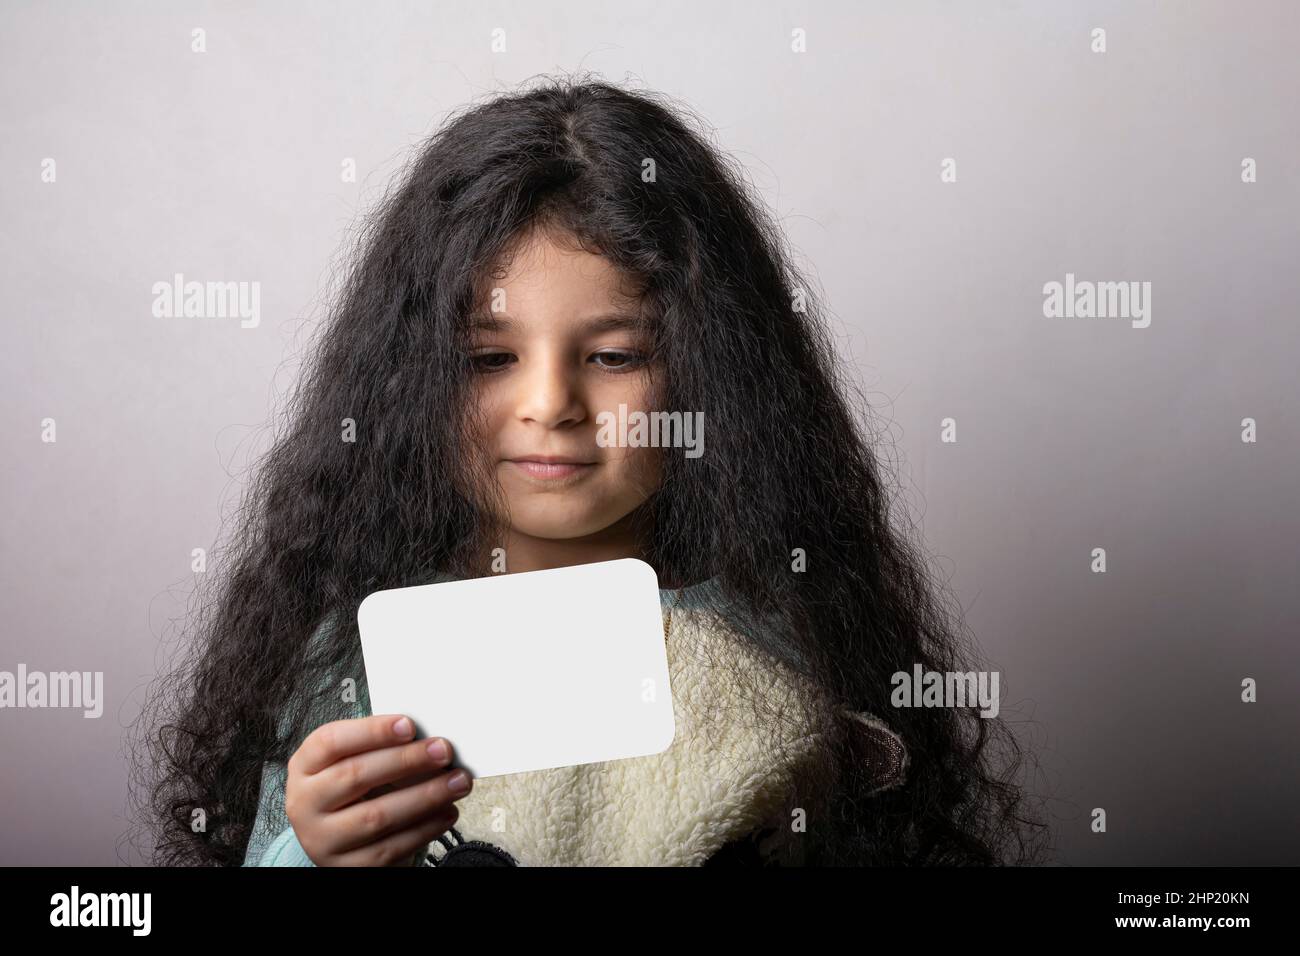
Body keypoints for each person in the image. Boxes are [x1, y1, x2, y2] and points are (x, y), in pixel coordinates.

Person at [136, 75, 1048, 867]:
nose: (551, 404)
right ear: (408, 382)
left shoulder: (785, 647)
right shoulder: (355, 666)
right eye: (489, 360)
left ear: (711, 374)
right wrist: (315, 850)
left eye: (614, 357)